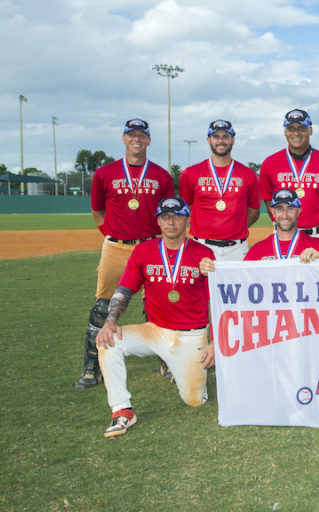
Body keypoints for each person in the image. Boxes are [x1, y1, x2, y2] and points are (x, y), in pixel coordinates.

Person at [95, 197, 215, 438]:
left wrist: (214, 341)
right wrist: (110, 321)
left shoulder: (203, 253)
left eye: (177, 216)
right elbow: (125, 290)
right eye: (165, 217)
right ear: (158, 221)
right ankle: (122, 411)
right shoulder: (144, 251)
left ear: (187, 220)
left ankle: (181, 366)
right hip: (155, 329)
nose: (171, 221)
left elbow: (215, 301)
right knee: (108, 342)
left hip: (191, 335)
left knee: (195, 401)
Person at [75, 118, 174, 390]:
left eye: (142, 135)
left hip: (151, 246)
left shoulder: (161, 176)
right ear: (124, 139)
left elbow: (168, 214)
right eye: (132, 135)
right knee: (102, 309)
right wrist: (111, 234)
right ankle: (91, 366)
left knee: (159, 307)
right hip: (116, 246)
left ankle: (169, 359)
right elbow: (97, 210)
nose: (137, 139)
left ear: (149, 140)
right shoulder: (104, 173)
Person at [259, 109, 319, 253]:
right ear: (285, 132)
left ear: (310, 130)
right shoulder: (270, 163)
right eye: (291, 128)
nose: (296, 133)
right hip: (283, 235)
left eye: (301, 128)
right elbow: (268, 201)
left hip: (318, 235)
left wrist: (318, 224)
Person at [179, 119, 260, 261]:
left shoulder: (249, 175)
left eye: (225, 136)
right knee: (202, 284)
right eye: (216, 136)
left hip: (237, 248)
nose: (221, 141)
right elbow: (187, 208)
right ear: (208, 140)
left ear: (233, 140)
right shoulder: (190, 174)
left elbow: (254, 211)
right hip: (202, 246)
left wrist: (235, 228)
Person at [244, 189, 319, 262]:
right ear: (272, 212)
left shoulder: (317, 246)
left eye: (290, 208)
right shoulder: (256, 251)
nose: (285, 215)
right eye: (279, 209)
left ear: (299, 211)